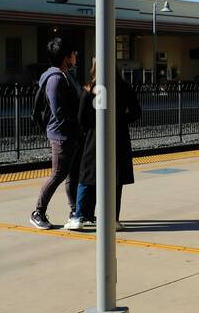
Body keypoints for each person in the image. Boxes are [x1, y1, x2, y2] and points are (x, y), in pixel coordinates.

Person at [71, 59, 141, 230]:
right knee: (115, 179)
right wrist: (119, 120)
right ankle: (112, 218)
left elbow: (81, 119)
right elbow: (136, 112)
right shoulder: (124, 88)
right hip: (119, 138)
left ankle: (79, 216)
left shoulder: (89, 89)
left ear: (94, 67)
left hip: (94, 139)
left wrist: (92, 128)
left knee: (87, 177)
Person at [30, 37, 84, 230]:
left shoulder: (65, 75)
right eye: (73, 53)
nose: (75, 56)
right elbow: (58, 111)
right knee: (59, 174)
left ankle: (75, 211)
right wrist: (78, 116)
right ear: (65, 57)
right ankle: (38, 212)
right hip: (61, 135)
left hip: (72, 133)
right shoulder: (55, 79)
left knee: (72, 175)